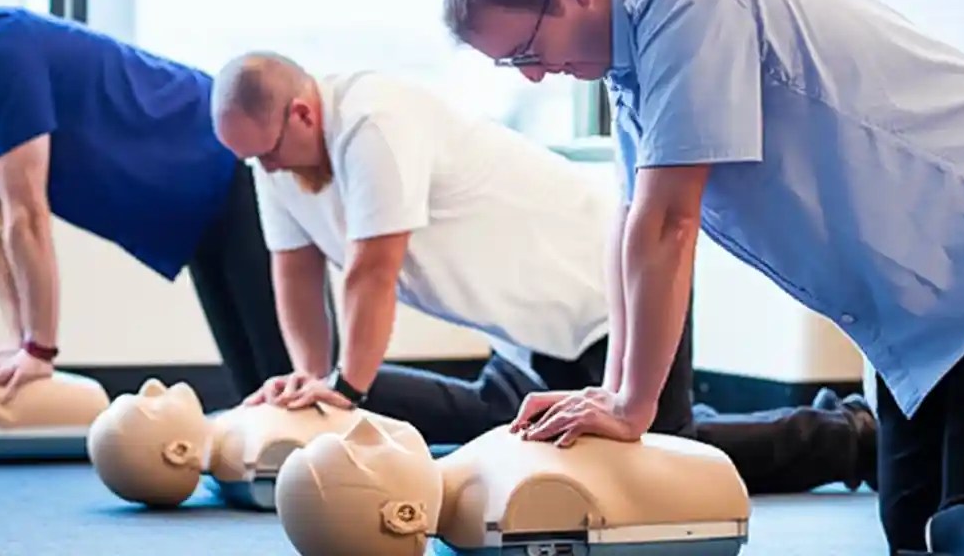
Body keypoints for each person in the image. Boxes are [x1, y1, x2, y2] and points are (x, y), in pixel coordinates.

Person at [440, 0, 964, 552]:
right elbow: (630, 224)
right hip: (930, 285)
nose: (534, 74)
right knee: (915, 522)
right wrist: (610, 389)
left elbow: (670, 221)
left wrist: (634, 405)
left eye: (527, 49)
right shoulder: (627, 60)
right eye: (511, 65)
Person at [209, 51, 877, 495]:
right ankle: (834, 431)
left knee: (664, 452)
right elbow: (295, 274)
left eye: (267, 153)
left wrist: (344, 390)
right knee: (517, 431)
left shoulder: (371, 121)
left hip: (610, 280)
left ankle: (853, 438)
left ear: (301, 113)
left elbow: (370, 272)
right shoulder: (280, 162)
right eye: (252, 162)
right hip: (528, 326)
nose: (265, 172)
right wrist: (314, 377)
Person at [0, 0, 290, 402]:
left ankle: (342, 459)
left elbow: (26, 215)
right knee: (251, 377)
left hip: (223, 159)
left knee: (285, 365)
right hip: (192, 206)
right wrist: (16, 341)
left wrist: (39, 349)